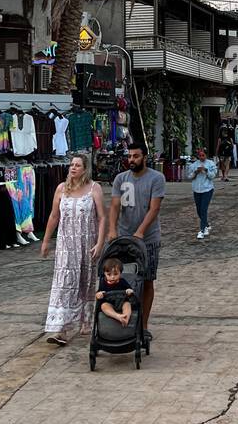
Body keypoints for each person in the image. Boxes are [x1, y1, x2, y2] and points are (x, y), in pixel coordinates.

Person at [41, 153, 105, 345]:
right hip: (65, 245)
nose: (73, 168)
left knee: (85, 281)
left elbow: (102, 217)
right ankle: (61, 329)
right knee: (65, 283)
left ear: (84, 169)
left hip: (87, 243)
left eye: (77, 165)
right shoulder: (61, 189)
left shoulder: (94, 188)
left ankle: (85, 320)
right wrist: (46, 241)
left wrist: (100, 242)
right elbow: (54, 216)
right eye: (71, 165)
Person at [108, 142, 165, 345]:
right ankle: (123, 322)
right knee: (122, 280)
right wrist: (112, 229)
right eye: (130, 156)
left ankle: (144, 325)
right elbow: (115, 205)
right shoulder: (120, 179)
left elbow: (154, 208)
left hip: (148, 239)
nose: (132, 159)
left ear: (144, 157)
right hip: (124, 238)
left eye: (136, 156)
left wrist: (140, 232)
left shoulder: (156, 179)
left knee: (147, 280)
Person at [96, 255, 135, 327]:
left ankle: (126, 318)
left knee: (127, 305)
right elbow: (98, 293)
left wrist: (129, 291)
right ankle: (118, 316)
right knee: (104, 306)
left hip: (121, 302)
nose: (112, 277)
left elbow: (129, 290)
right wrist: (99, 294)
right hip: (109, 302)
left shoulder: (122, 282)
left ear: (120, 273)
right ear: (104, 274)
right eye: (109, 274)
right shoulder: (103, 283)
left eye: (116, 274)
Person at [186, 146, 216, 239]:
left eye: (203, 155)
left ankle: (202, 230)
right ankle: (206, 225)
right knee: (199, 210)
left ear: (206, 155)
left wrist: (206, 171)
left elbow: (213, 176)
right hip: (197, 190)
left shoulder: (211, 163)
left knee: (203, 209)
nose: (202, 157)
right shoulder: (194, 165)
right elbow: (189, 176)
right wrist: (196, 172)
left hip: (207, 189)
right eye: (200, 155)